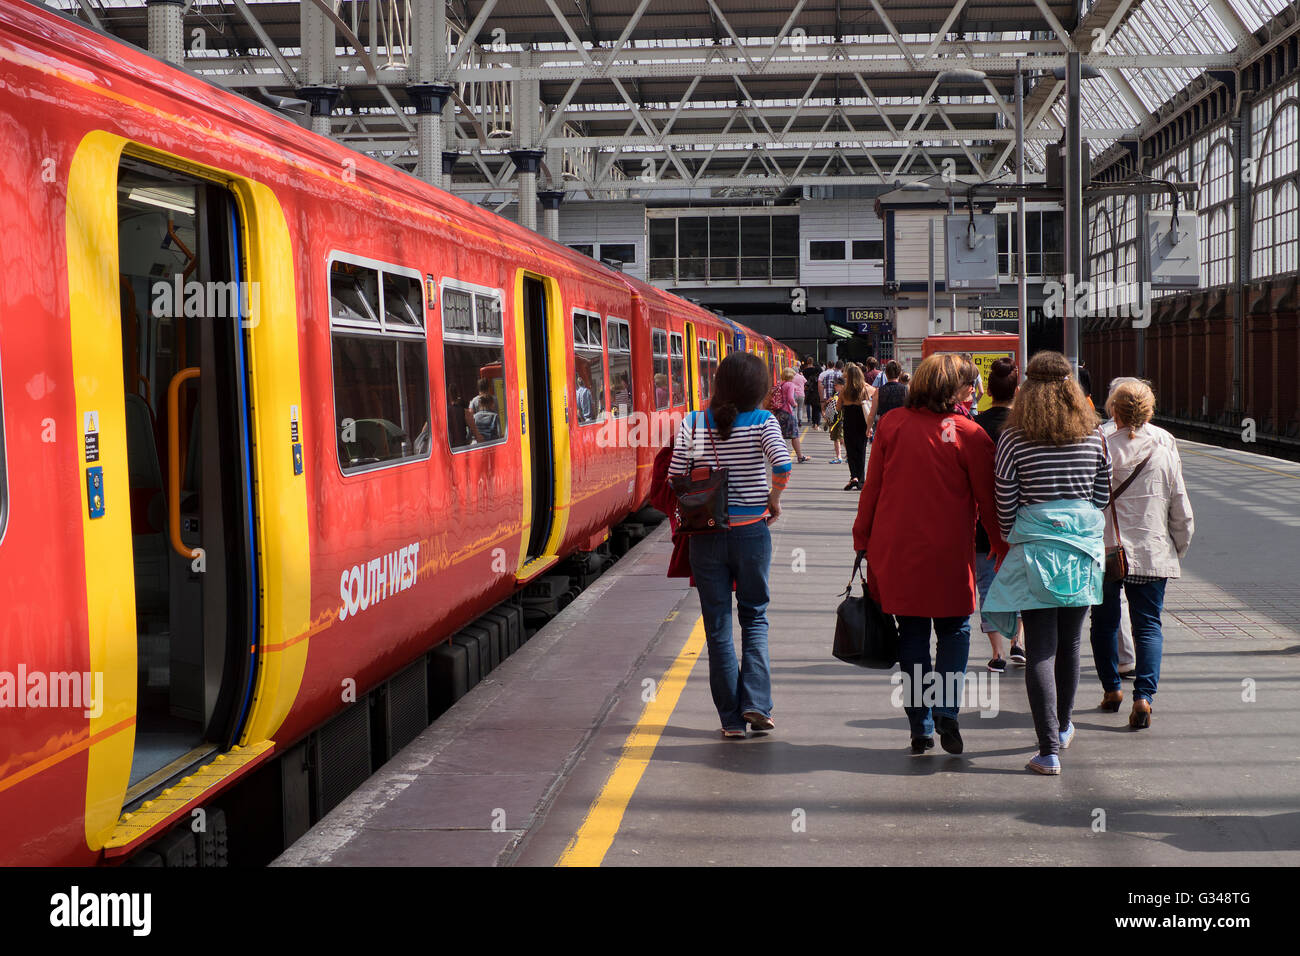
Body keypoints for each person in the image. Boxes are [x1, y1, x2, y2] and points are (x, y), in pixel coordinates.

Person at [852, 353, 1008, 756]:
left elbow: (872, 488)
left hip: (899, 550)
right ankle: (947, 711)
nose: (972, 391)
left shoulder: (891, 425)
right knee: (954, 631)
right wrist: (1000, 545)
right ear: (952, 389)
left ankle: (920, 727)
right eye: (968, 384)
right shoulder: (970, 434)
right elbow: (988, 502)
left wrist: (862, 537)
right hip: (950, 554)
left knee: (913, 634)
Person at [982, 351, 1110, 776]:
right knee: (1071, 644)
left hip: (1035, 549)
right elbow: (1101, 495)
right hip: (1082, 551)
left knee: (1040, 647)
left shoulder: (1013, 437)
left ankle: (1048, 750)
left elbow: (1004, 499)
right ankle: (1066, 726)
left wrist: (1011, 535)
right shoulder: (1094, 435)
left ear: (1027, 390)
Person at [667, 352, 792, 738]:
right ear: (758, 388)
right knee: (754, 616)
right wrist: (773, 498)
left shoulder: (693, 422)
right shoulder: (764, 421)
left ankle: (731, 721)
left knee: (717, 626)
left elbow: (675, 475)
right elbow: (783, 464)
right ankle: (756, 703)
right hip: (751, 533)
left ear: (719, 384)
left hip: (706, 535)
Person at [1088, 378, 1193, 729]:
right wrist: (1179, 545)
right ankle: (1144, 697)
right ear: (1149, 411)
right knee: (1148, 626)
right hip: (1151, 549)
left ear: (1113, 410)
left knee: (1104, 623)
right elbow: (1180, 505)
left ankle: (1111, 689)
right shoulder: (1165, 446)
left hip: (1105, 550)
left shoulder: (1099, 444)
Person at [972, 358, 1024, 672]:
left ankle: (997, 653)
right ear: (1017, 390)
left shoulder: (975, 426)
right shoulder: (1024, 427)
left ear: (988, 391)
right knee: (1021, 583)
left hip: (983, 520)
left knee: (987, 585)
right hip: (1019, 520)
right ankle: (1019, 642)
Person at [838, 364, 872, 491]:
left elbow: (838, 407)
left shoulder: (844, 391)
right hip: (862, 422)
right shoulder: (865, 389)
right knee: (861, 450)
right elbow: (874, 396)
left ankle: (854, 476)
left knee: (851, 450)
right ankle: (861, 479)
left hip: (849, 421)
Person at [862, 359, 906, 437]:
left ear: (886, 374)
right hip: (901, 428)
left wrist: (868, 428)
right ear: (899, 373)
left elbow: (872, 414)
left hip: (884, 428)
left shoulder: (878, 391)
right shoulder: (906, 390)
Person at [775, 367, 810, 462]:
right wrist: (795, 404)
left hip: (779, 412)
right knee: (795, 435)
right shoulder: (790, 384)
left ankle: (778, 456)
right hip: (788, 412)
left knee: (779, 434)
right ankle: (800, 456)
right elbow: (790, 398)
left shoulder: (781, 384)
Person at [801, 356, 822, 427]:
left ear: (807, 362)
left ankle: (809, 418)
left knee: (808, 404)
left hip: (807, 388)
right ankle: (816, 421)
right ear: (812, 362)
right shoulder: (815, 370)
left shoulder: (804, 370)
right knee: (815, 405)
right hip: (814, 389)